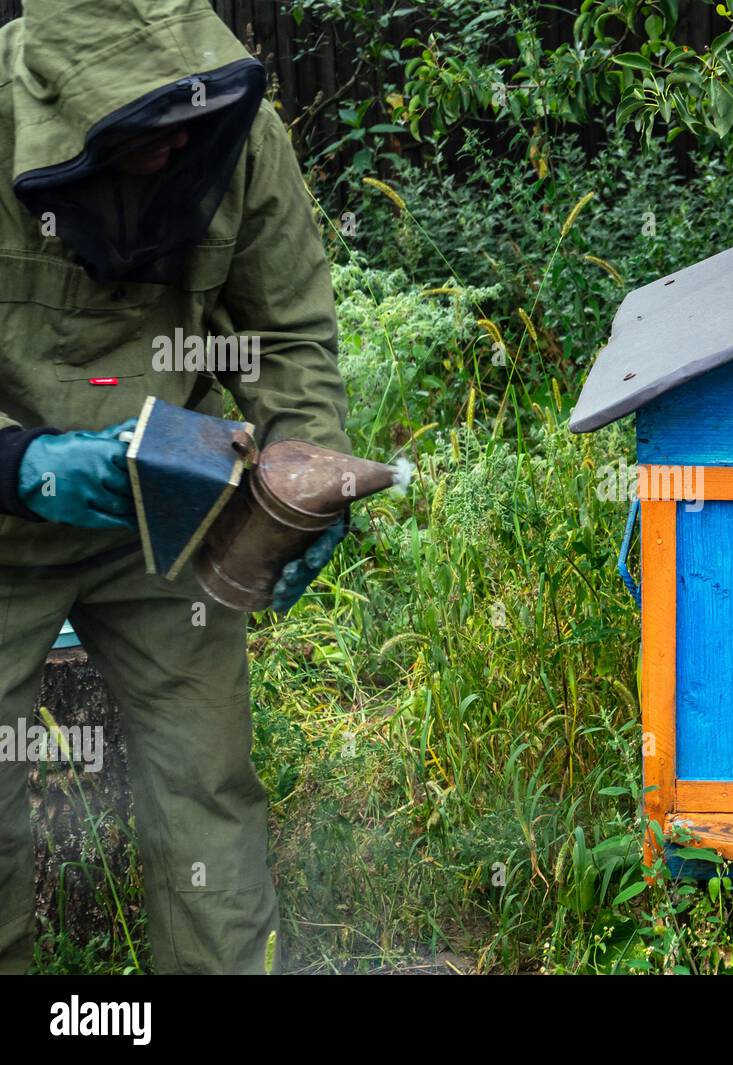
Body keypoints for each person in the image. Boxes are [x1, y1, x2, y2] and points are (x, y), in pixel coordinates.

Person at [0, 0, 351, 973]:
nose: (175, 154)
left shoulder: (237, 134)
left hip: (168, 505)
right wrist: (19, 463)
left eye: (188, 132)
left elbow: (287, 335)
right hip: (3, 515)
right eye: (143, 139)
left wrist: (309, 474)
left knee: (205, 788)